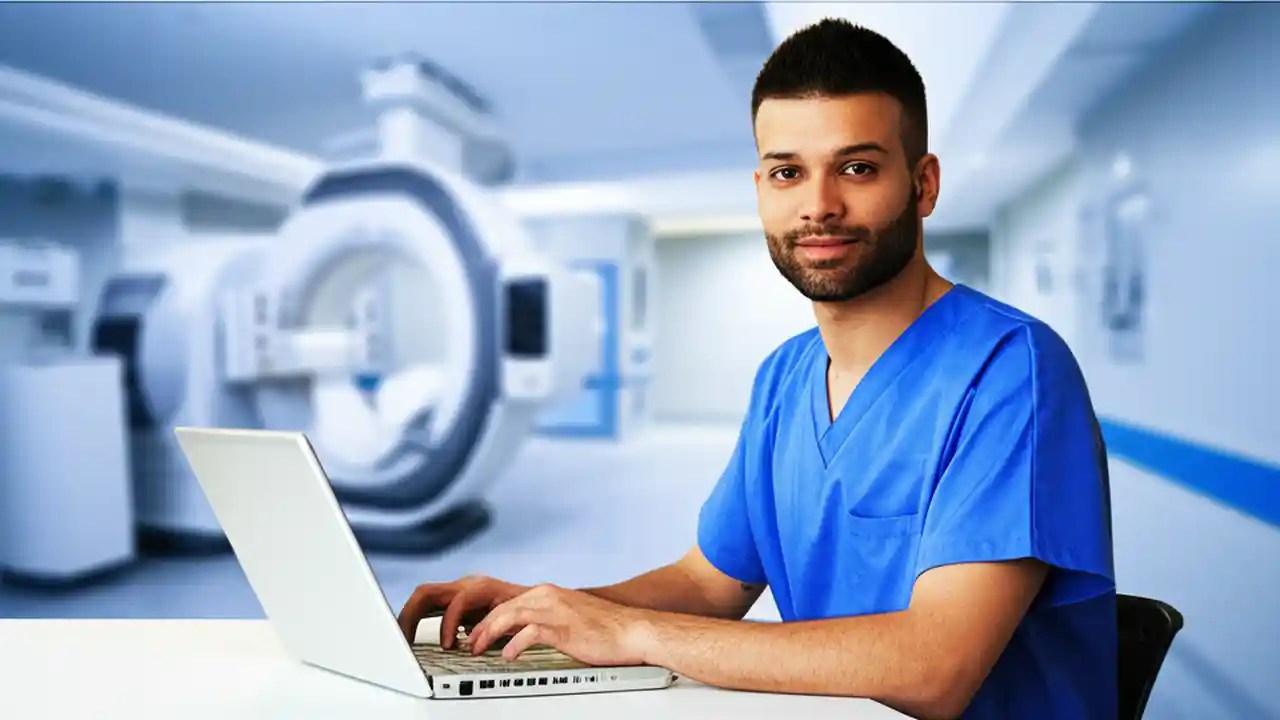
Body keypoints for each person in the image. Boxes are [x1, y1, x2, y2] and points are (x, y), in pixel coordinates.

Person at [398, 18, 1116, 720]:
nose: (818, 206)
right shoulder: (785, 377)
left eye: (857, 168)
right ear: (761, 188)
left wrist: (635, 634)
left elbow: (935, 669)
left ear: (923, 185)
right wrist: (546, 610)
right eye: (787, 173)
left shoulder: (1010, 370)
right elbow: (706, 584)